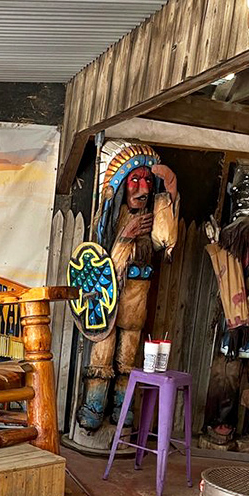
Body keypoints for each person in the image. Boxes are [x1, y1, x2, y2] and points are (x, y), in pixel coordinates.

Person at [77, 143, 179, 431]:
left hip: (136, 299)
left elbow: (165, 241)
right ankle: (94, 406)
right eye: (135, 180)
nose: (142, 188)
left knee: (128, 358)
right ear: (122, 184)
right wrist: (125, 237)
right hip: (108, 300)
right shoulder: (113, 218)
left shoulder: (152, 217)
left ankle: (122, 409)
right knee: (102, 354)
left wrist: (170, 191)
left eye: (147, 181)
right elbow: (104, 265)